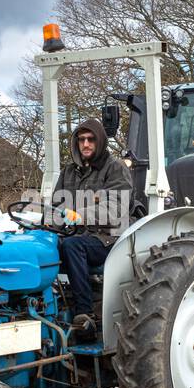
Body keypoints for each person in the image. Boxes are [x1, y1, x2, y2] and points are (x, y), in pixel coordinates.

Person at [52, 118, 133, 335]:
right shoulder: (68, 172)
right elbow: (56, 207)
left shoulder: (115, 168)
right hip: (78, 236)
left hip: (109, 239)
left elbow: (116, 208)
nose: (85, 144)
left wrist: (80, 215)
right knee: (45, 245)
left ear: (99, 142)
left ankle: (85, 314)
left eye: (90, 140)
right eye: (81, 140)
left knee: (72, 246)